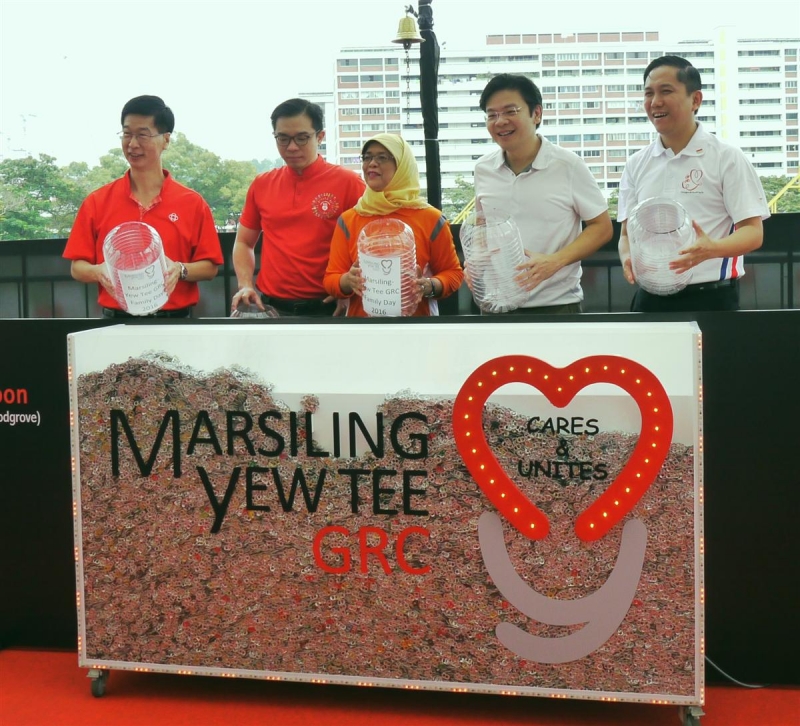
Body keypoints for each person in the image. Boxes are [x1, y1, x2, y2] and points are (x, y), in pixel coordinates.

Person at [618, 55, 769, 312]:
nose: (655, 102)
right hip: (649, 300)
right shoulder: (636, 164)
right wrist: (627, 257)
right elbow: (625, 235)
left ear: (695, 100)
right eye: (648, 93)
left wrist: (712, 249)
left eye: (666, 91)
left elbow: (753, 233)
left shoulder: (726, 157)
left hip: (711, 298)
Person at [64, 95, 222, 318]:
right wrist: (98, 271)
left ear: (166, 140)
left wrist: (180, 269)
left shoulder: (192, 203)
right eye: (127, 134)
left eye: (142, 135)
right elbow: (77, 267)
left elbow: (210, 267)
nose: (133, 143)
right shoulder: (97, 201)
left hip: (175, 322)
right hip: (116, 322)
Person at [473, 73, 613, 314]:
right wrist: (475, 265)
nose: (500, 121)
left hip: (556, 306)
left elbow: (602, 227)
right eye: (492, 115)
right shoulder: (483, 168)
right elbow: (482, 225)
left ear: (536, 113)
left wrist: (555, 261)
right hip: (495, 305)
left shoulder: (568, 165)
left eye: (510, 111)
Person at [231, 98, 365, 317]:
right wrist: (245, 284)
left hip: (331, 308)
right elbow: (244, 242)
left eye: (302, 138)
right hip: (271, 308)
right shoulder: (262, 184)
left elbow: (367, 245)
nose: (292, 147)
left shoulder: (349, 183)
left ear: (320, 137)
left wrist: (347, 289)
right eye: (283, 138)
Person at [323, 133, 463, 317]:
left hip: (417, 330)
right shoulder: (349, 219)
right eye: (367, 157)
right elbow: (331, 278)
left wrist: (429, 286)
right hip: (362, 331)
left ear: (402, 165)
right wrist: (348, 281)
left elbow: (453, 273)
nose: (372, 163)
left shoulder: (431, 218)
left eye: (382, 157)